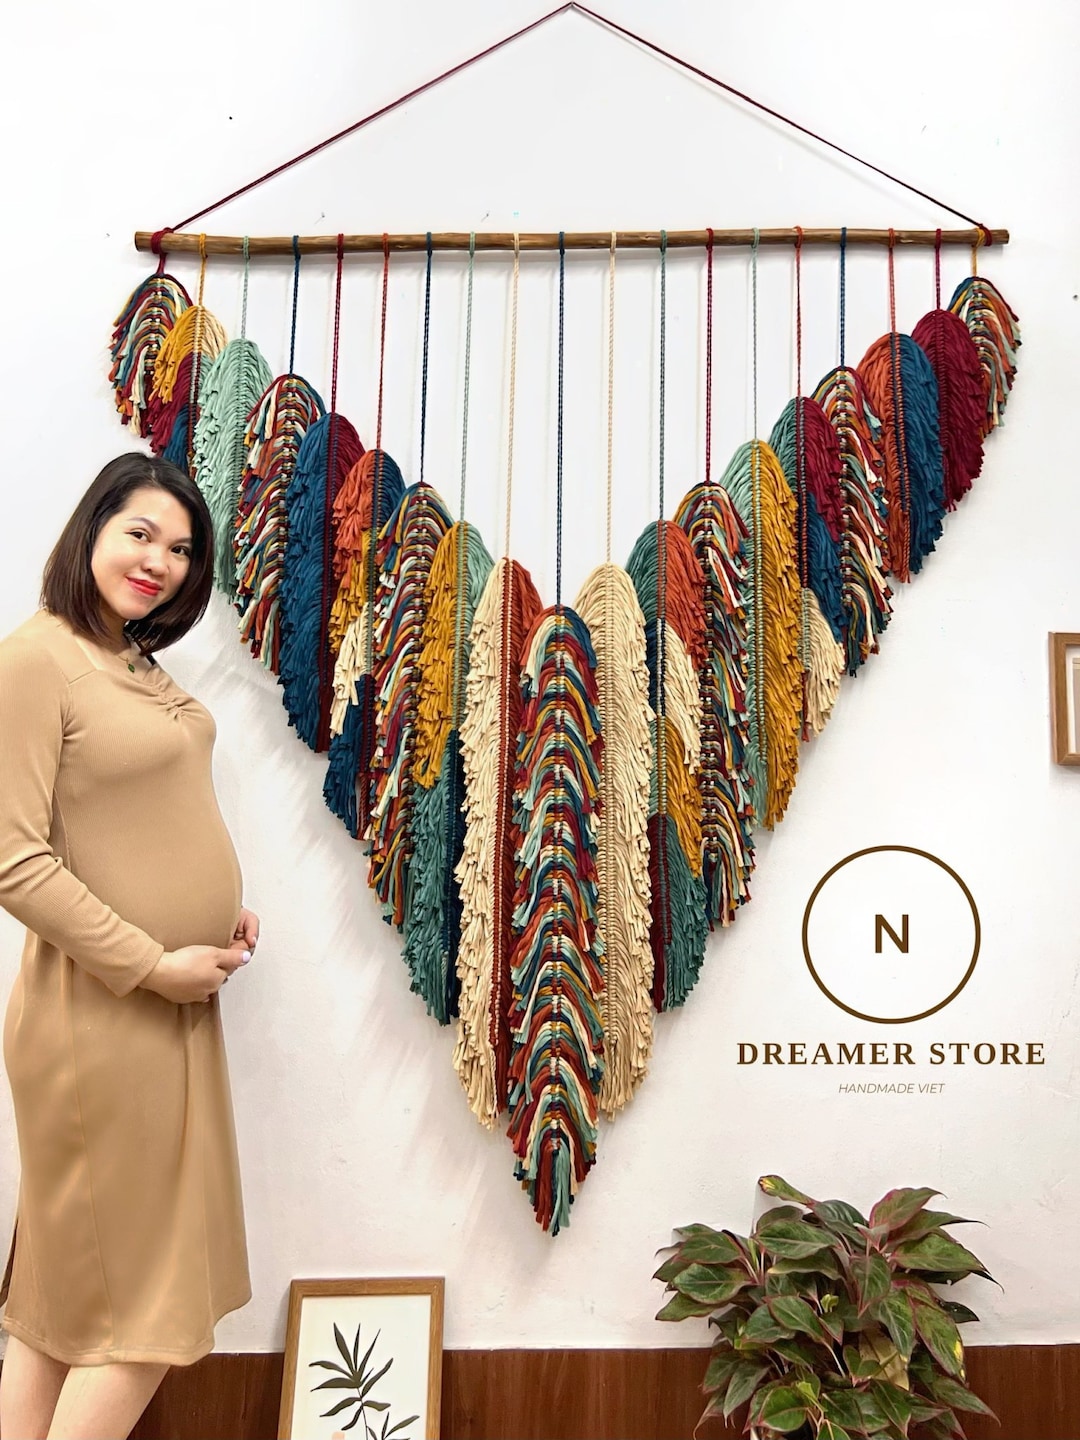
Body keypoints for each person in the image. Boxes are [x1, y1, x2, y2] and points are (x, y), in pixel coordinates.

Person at [0, 453, 257, 1440]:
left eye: (183, 549)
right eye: (141, 533)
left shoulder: (133, 663)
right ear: (92, 531)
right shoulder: (40, 658)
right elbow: (14, 859)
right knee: (145, 1308)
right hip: (100, 1020)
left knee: (65, 1307)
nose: (161, 561)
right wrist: (154, 962)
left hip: (168, 1007)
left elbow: (140, 817)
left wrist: (216, 911)